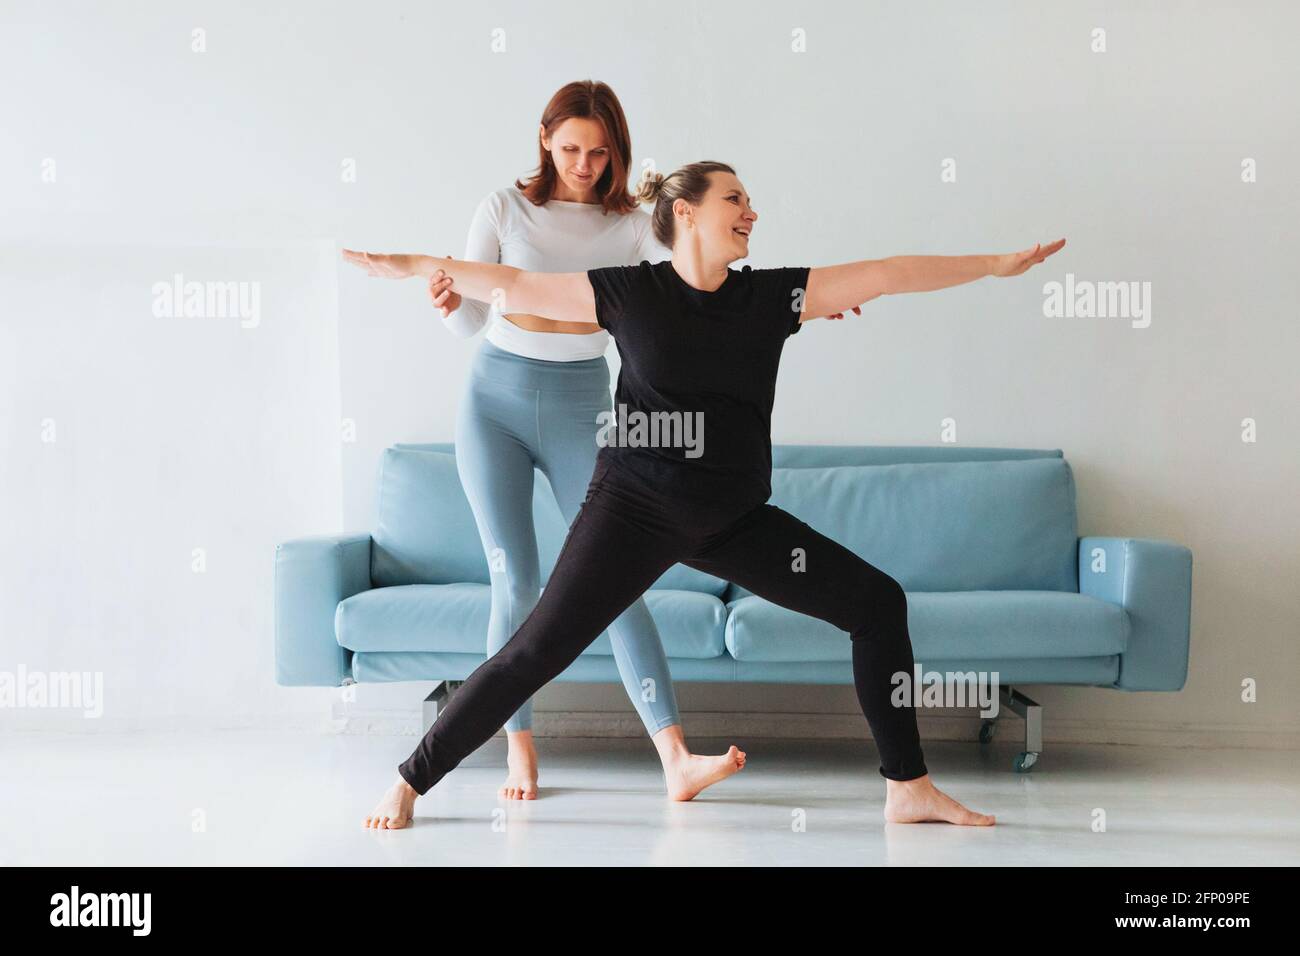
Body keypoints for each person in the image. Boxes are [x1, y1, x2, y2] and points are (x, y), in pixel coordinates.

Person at [344, 160, 1065, 829]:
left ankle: (908, 787)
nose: (752, 211)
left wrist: (996, 266)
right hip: (631, 511)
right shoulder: (628, 292)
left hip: (734, 521)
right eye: (736, 200)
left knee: (877, 605)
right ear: (685, 214)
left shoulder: (771, 296)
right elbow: (512, 286)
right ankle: (411, 778)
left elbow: (887, 272)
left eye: (749, 202)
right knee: (535, 649)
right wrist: (414, 265)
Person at [428, 80, 744, 803]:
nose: (583, 163)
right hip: (493, 405)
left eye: (599, 153)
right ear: (545, 139)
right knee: (516, 579)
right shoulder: (505, 208)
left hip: (583, 407)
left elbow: (699, 279)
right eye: (570, 148)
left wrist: (801, 306)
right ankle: (518, 748)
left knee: (615, 577)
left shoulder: (633, 225)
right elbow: (469, 323)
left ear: (617, 153)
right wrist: (449, 303)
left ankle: (675, 758)